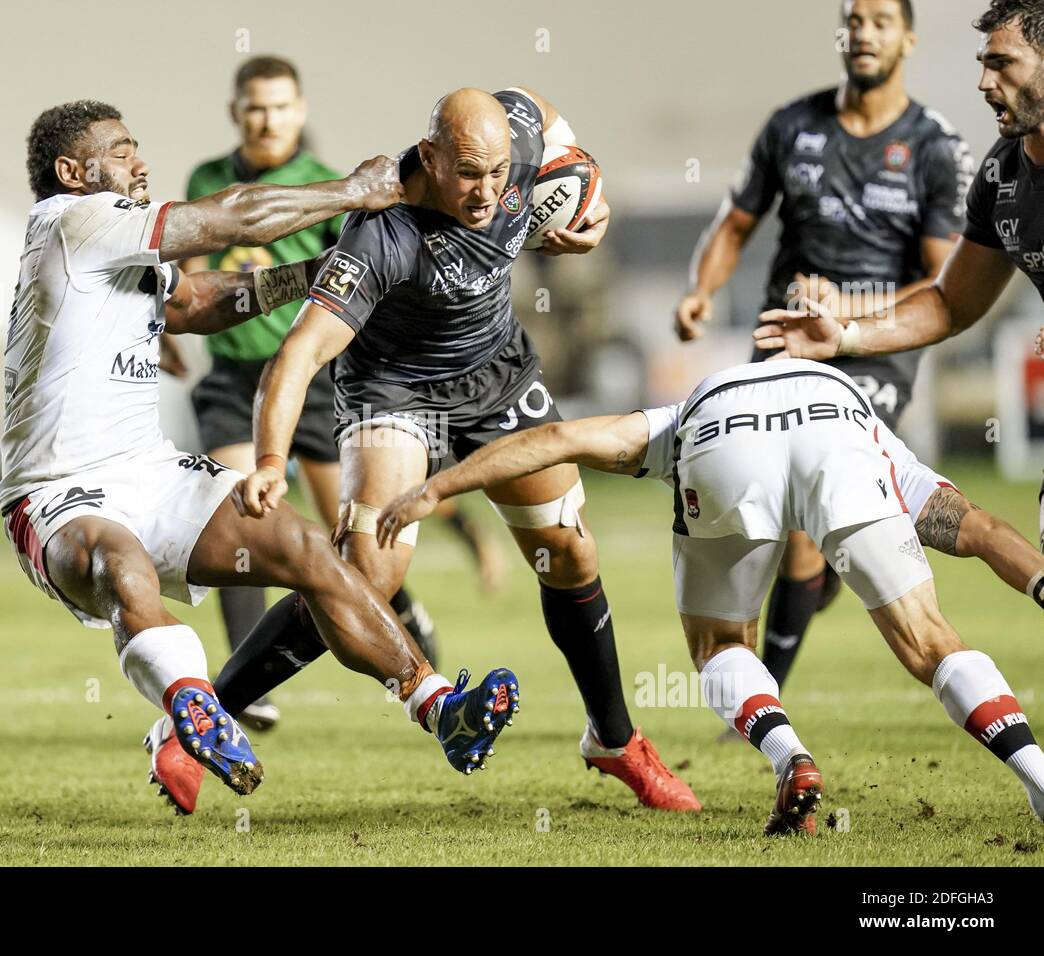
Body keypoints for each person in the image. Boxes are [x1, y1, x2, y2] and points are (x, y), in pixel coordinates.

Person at [1, 99, 519, 817]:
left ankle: (438, 707)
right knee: (122, 566)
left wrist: (326, 271)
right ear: (71, 171)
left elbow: (201, 303)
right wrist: (351, 192)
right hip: (59, 491)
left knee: (308, 548)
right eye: (122, 151)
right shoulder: (70, 221)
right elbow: (233, 219)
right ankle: (191, 708)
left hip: (148, 472)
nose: (140, 162)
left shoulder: (117, 244)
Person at [229, 85, 701, 811]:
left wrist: (591, 197)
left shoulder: (515, 142)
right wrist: (269, 460)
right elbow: (295, 357)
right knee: (367, 576)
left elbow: (543, 115)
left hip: (498, 376)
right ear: (431, 159)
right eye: (469, 174)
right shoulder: (380, 233)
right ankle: (206, 715)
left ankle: (613, 739)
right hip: (394, 391)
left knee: (571, 552)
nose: (488, 192)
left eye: (499, 173)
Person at [376, 359, 1044, 835]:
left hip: (721, 433)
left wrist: (439, 487)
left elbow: (555, 439)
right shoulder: (879, 439)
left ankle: (789, 756)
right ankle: (1036, 774)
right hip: (840, 438)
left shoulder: (677, 413)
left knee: (721, 645)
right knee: (931, 641)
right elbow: (981, 530)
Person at [675, 0, 974, 695]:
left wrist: (853, 312)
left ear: (908, 39)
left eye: (880, 20)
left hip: (875, 350)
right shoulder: (792, 125)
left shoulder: (933, 146)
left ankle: (768, 686)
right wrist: (702, 291)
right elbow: (734, 223)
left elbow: (942, 279)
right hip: (786, 337)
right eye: (853, 18)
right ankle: (797, 602)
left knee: (810, 523)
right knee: (764, 512)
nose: (864, 31)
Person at [758, 0, 1044, 561]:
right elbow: (948, 304)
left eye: (1003, 63)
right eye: (983, 63)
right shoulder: (1000, 173)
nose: (986, 81)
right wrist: (845, 336)